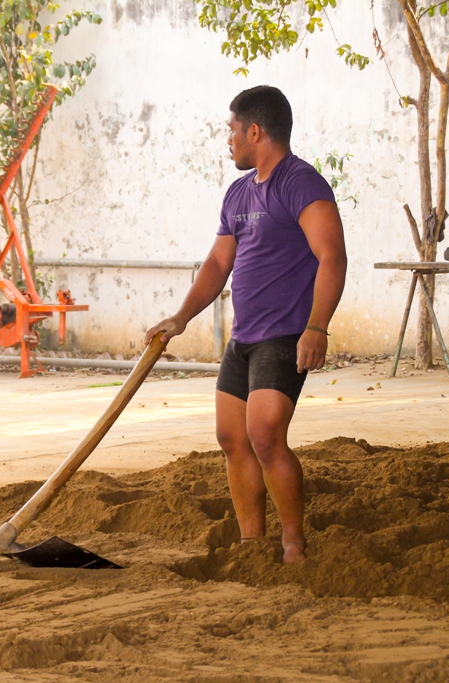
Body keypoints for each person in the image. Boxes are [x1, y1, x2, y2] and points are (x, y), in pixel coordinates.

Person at [144, 86, 347, 563]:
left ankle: (294, 543)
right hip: (244, 340)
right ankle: (253, 544)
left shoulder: (302, 184)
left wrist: (317, 328)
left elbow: (332, 257)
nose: (228, 139)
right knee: (232, 439)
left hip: (285, 335)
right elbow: (217, 264)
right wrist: (180, 317)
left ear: (255, 130)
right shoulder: (238, 192)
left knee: (265, 435)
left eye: (232, 129)